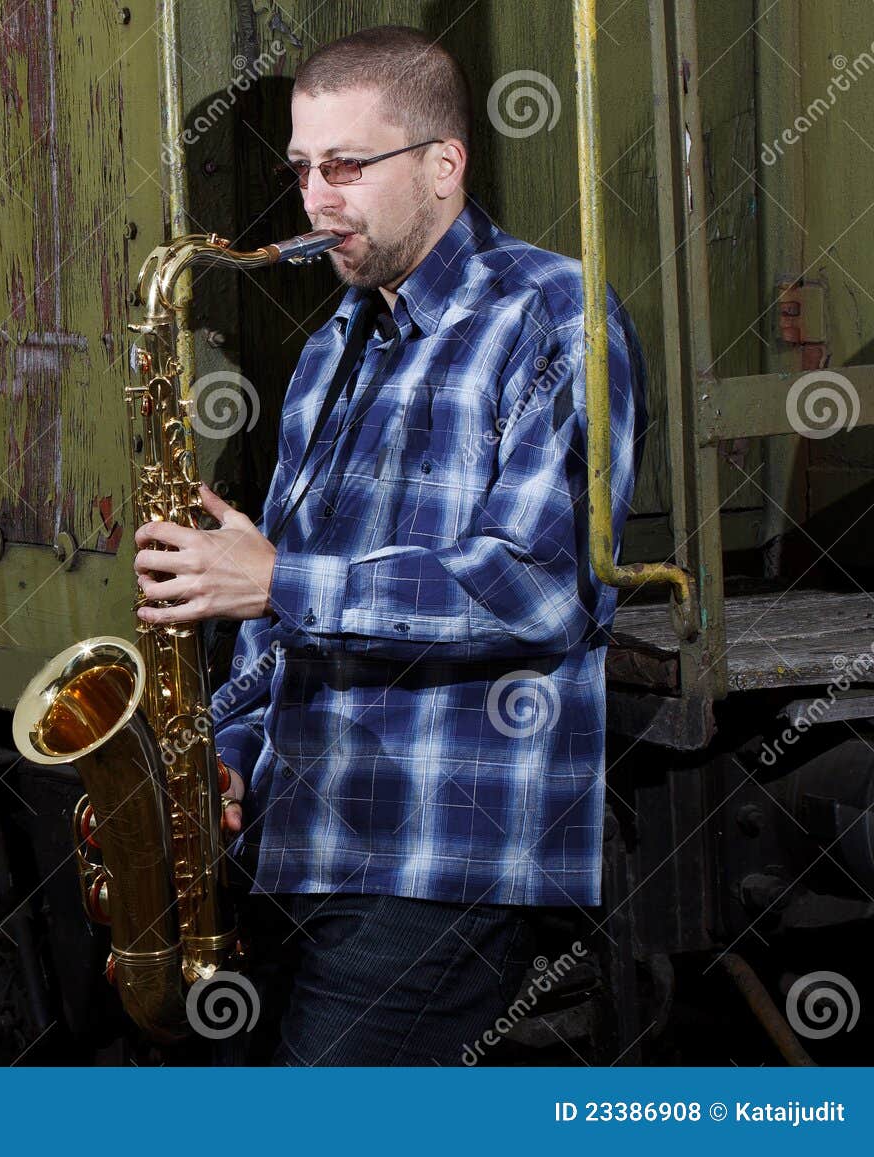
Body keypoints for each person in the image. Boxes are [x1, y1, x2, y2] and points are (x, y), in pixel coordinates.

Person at [131, 24, 648, 1064]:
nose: (316, 200)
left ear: (443, 165)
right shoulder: (333, 343)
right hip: (296, 845)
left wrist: (278, 577)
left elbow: (542, 586)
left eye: (346, 166)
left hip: (435, 863)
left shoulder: (550, 317)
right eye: (302, 170)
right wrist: (222, 754)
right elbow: (290, 622)